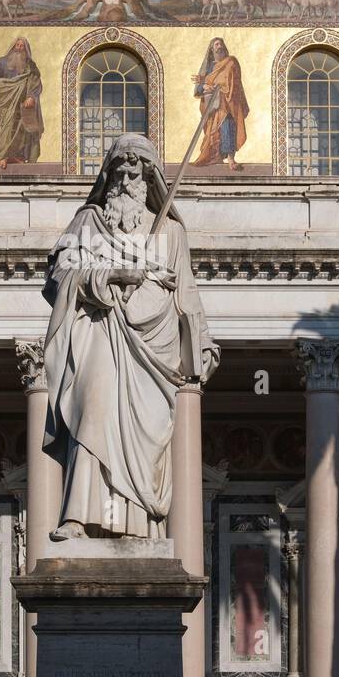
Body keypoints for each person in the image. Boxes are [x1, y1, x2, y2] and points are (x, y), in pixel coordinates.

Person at [43, 134, 218, 540]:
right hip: (101, 333)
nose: (127, 175)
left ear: (150, 176)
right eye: (120, 168)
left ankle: (132, 527)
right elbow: (59, 278)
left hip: (152, 350)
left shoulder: (171, 233)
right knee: (94, 411)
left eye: (136, 168)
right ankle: (78, 518)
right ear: (108, 175)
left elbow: (187, 295)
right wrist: (112, 275)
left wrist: (202, 343)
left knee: (146, 436)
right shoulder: (88, 223)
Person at [192, 37, 249, 170]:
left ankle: (231, 159)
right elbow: (199, 88)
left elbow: (234, 81)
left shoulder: (231, 62)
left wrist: (212, 83)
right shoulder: (210, 67)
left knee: (228, 127)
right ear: (212, 50)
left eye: (220, 44)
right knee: (214, 132)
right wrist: (205, 86)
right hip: (213, 105)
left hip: (229, 102)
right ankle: (216, 157)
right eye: (216, 45)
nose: (219, 47)